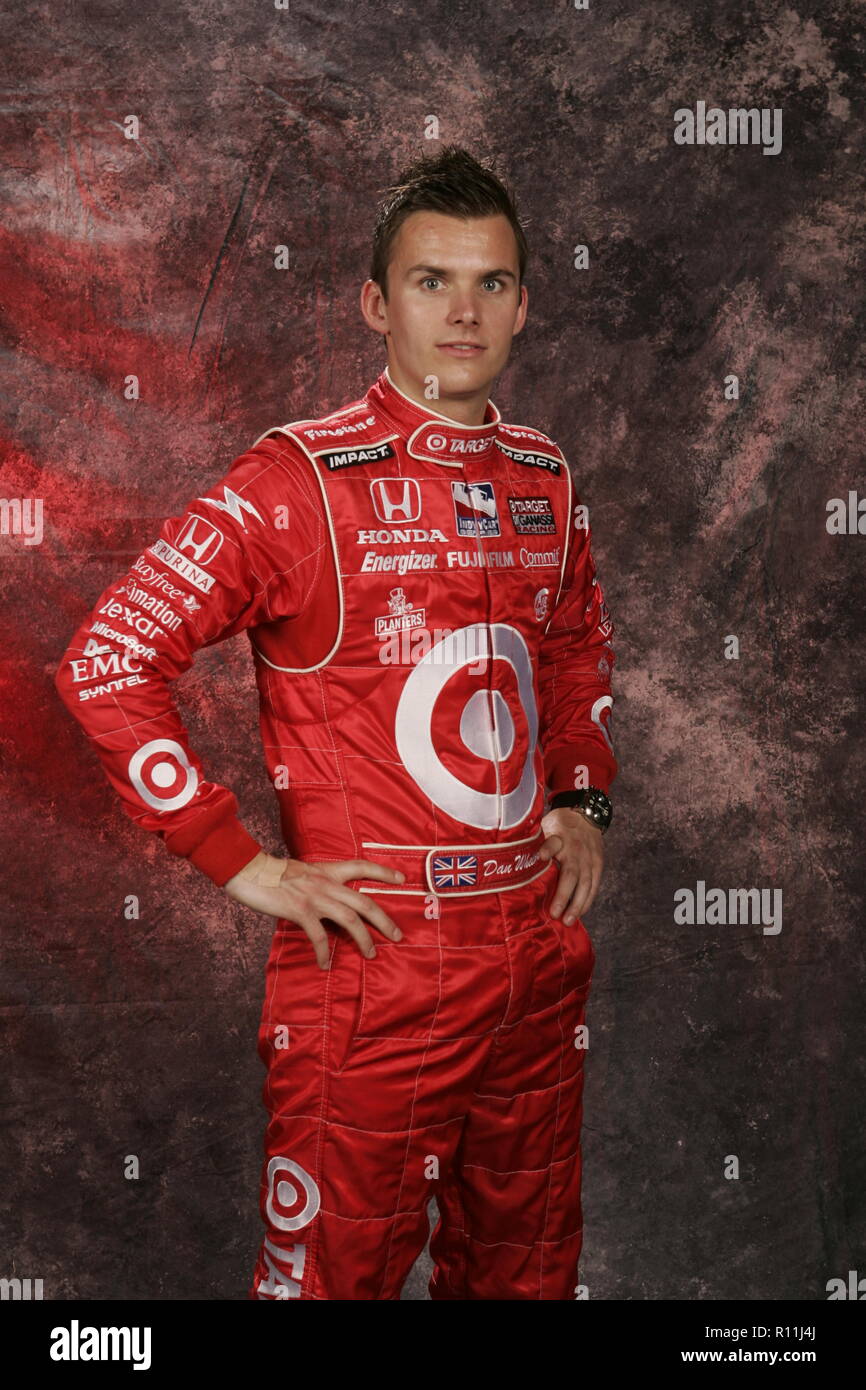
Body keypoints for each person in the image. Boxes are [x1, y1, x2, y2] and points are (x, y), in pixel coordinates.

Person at [54, 145, 618, 1300]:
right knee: (328, 1286)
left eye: (490, 282)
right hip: (373, 966)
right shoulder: (296, 480)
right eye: (428, 281)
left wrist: (580, 796)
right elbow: (108, 660)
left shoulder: (542, 474)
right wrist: (239, 861)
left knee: (527, 1276)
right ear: (374, 301)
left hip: (532, 957)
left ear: (523, 301)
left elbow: (567, 648)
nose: (462, 310)